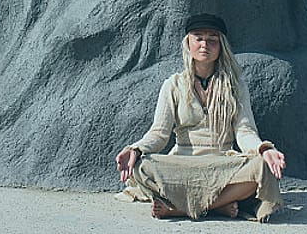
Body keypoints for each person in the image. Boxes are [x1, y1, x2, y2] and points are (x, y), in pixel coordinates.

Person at [115, 13, 285, 221]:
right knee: (141, 165)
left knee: (262, 166)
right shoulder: (173, 85)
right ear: (188, 42)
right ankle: (219, 206)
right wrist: (136, 149)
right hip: (183, 166)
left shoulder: (235, 86)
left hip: (222, 165)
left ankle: (186, 209)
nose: (205, 44)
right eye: (198, 37)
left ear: (221, 45)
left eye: (212, 39)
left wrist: (264, 149)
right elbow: (159, 133)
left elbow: (244, 131)